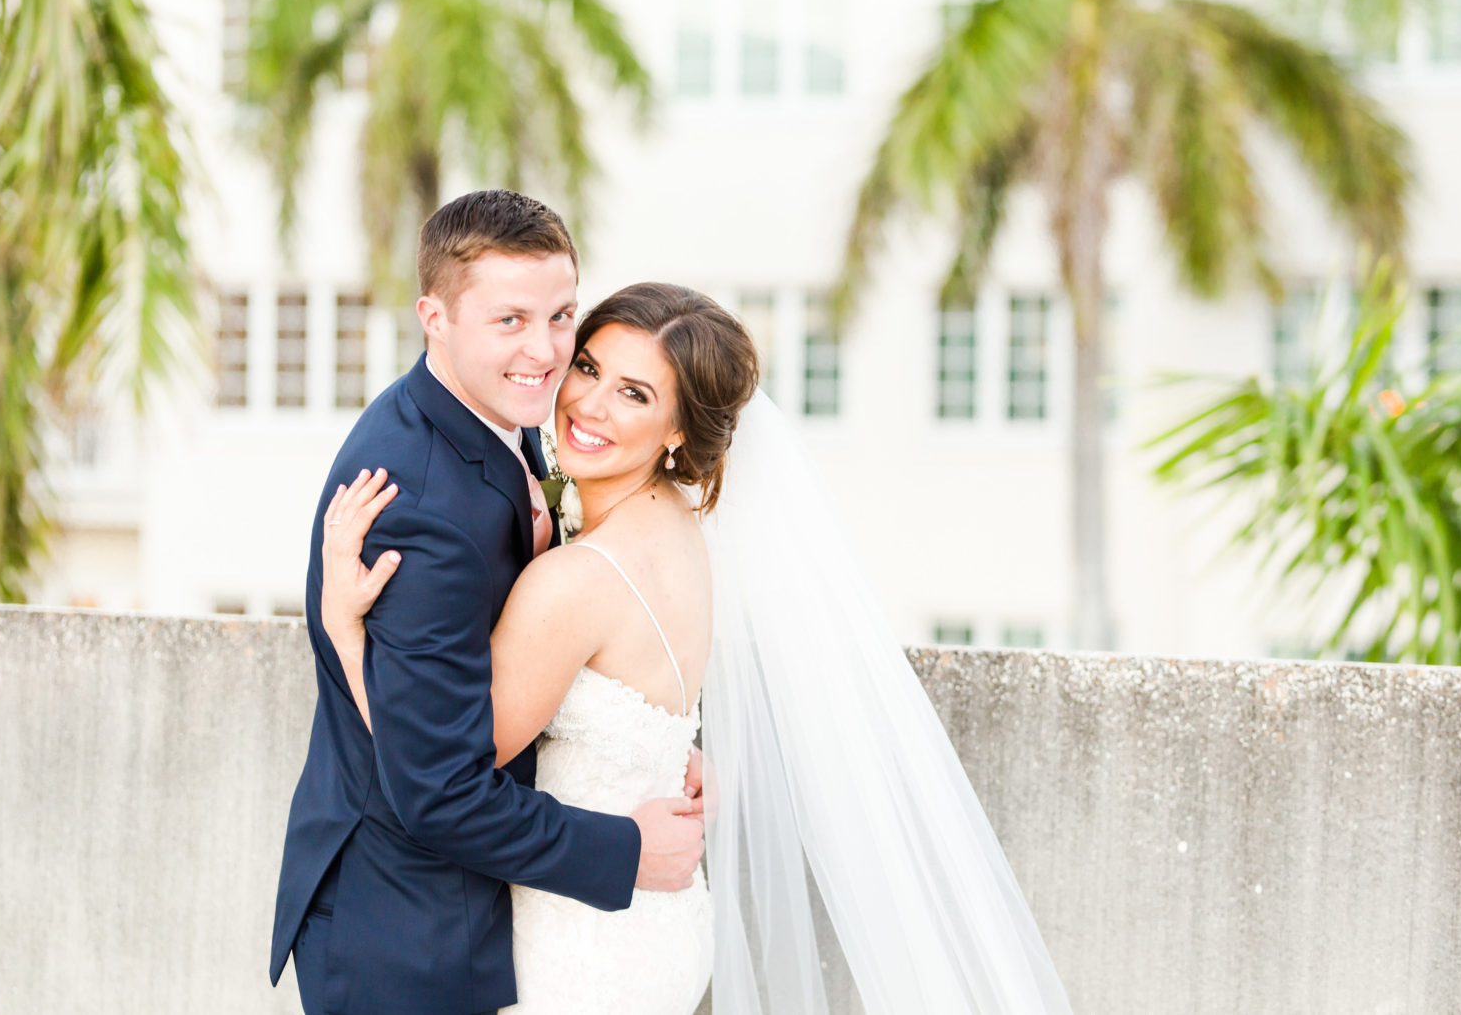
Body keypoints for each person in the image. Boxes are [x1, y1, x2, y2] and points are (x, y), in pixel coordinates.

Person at [321, 280, 1078, 1013]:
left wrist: (343, 628)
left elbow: (441, 767)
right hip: (666, 926)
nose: (588, 401)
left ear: (679, 429)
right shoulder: (684, 529)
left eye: (636, 394)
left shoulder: (577, 580)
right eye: (588, 367)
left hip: (583, 948)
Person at [268, 192, 706, 1015]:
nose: (545, 352)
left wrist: (654, 748)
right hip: (409, 939)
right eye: (510, 320)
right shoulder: (412, 505)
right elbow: (437, 786)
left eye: (561, 316)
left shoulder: (517, 414)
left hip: (483, 920)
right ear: (435, 317)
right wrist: (627, 848)